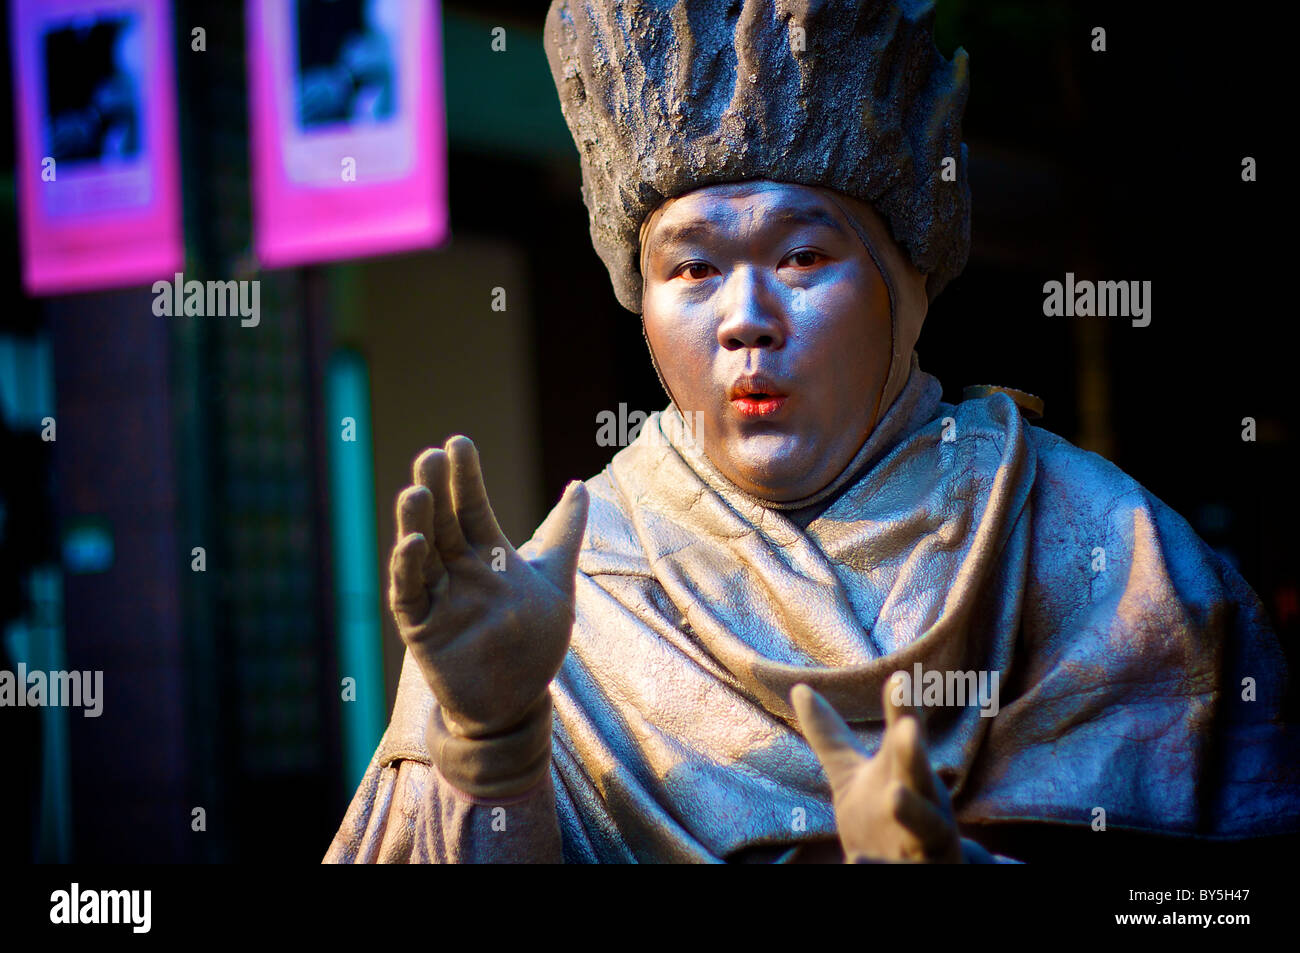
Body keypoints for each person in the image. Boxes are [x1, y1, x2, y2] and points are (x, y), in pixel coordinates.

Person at [323, 0, 1298, 864]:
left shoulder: (1112, 557)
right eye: (693, 269)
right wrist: (490, 740)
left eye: (800, 256)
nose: (745, 316)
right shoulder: (558, 603)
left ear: (903, 287)